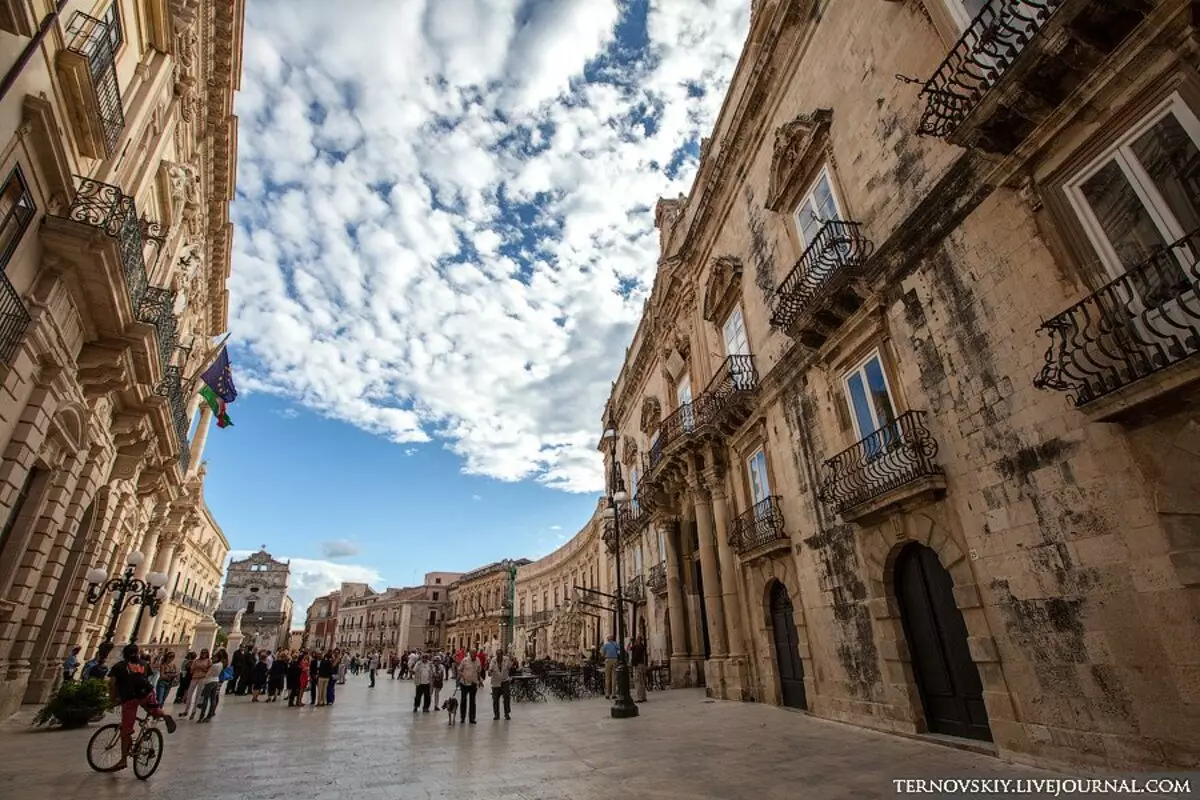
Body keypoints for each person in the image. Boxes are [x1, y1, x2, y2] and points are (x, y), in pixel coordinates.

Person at [107, 644, 176, 770]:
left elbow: (112, 683)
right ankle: (164, 715)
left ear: (124, 654)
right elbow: (147, 677)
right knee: (154, 709)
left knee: (126, 730)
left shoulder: (119, 666)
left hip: (130, 698)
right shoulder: (144, 663)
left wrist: (112, 700)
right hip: (147, 692)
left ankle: (123, 760)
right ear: (138, 653)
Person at [194, 648, 227, 723]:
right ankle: (209, 715)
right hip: (216, 681)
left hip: (209, 681)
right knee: (213, 699)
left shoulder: (214, 665)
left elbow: (208, 674)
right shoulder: (221, 664)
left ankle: (201, 716)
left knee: (205, 700)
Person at [489, 648, 515, 721]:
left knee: (506, 698)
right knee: (495, 699)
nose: (498, 656)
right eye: (497, 655)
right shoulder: (493, 660)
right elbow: (490, 669)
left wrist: (512, 661)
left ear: (502, 655)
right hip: (495, 682)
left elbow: (510, 667)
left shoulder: (506, 659)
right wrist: (490, 671)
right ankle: (496, 715)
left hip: (505, 681)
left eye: (500, 655)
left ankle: (507, 714)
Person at [183, 648, 211, 717]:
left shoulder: (209, 661)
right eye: (202, 652)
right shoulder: (196, 661)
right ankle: (186, 710)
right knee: (189, 694)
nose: (203, 654)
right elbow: (192, 670)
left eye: (205, 653)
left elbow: (209, 670)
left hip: (202, 678)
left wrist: (203, 669)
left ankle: (194, 711)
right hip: (195, 677)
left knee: (198, 695)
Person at [456, 649, 481, 724]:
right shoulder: (465, 660)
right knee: (463, 700)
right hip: (464, 683)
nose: (474, 655)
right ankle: (462, 717)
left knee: (472, 701)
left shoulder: (478, 660)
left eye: (475, 653)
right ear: (470, 653)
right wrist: (461, 675)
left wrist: (479, 680)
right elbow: (459, 669)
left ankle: (472, 718)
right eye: (472, 653)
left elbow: (479, 670)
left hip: (473, 683)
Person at [630, 636, 648, 703]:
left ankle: (640, 698)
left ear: (638, 640)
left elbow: (627, 649)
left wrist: (634, 663)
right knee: (642, 681)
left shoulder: (637, 647)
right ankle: (644, 697)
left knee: (638, 681)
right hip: (642, 664)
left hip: (638, 665)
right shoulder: (642, 646)